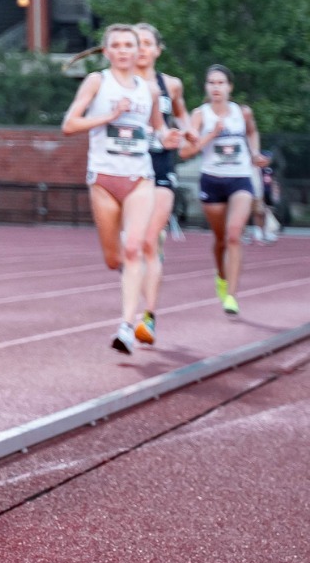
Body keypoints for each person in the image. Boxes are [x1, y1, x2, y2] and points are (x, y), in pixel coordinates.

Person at [60, 23, 166, 353]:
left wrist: (170, 138)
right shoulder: (97, 81)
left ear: (139, 52)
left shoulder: (149, 90)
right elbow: (69, 125)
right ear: (107, 52)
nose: (123, 50)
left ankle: (127, 325)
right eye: (116, 45)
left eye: (128, 45)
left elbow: (157, 132)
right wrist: (107, 116)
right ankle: (129, 283)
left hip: (139, 178)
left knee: (134, 248)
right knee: (113, 258)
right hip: (104, 179)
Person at [190, 64, 265, 316]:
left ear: (230, 87)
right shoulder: (200, 115)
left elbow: (252, 133)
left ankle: (231, 296)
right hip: (212, 179)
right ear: (206, 87)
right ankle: (221, 275)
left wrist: (254, 153)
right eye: (211, 83)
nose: (216, 87)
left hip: (239, 178)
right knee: (221, 239)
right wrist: (211, 134)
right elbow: (187, 150)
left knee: (234, 235)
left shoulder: (242, 113)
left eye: (221, 83)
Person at [132, 23, 190, 345]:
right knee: (133, 245)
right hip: (127, 168)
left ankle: (148, 317)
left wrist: (187, 131)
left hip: (161, 167)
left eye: (146, 43)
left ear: (157, 49)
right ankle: (137, 303)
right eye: (135, 43)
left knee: (148, 242)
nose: (140, 49)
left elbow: (181, 115)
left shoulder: (171, 85)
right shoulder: (118, 85)